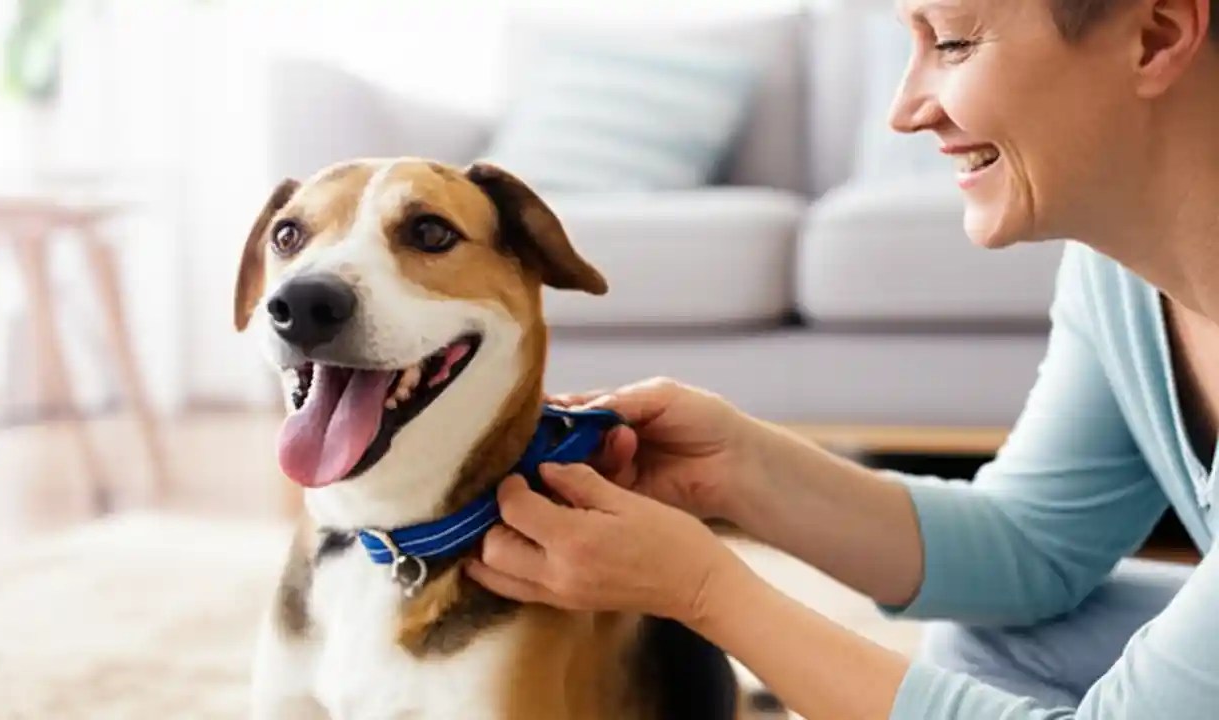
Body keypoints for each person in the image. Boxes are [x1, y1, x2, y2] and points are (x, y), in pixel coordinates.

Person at [464, 0, 1219, 717]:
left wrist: (703, 590)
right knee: (992, 635)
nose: (905, 109)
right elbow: (1029, 549)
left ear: (1154, 35)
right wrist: (741, 470)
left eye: (952, 41)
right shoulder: (1120, 274)